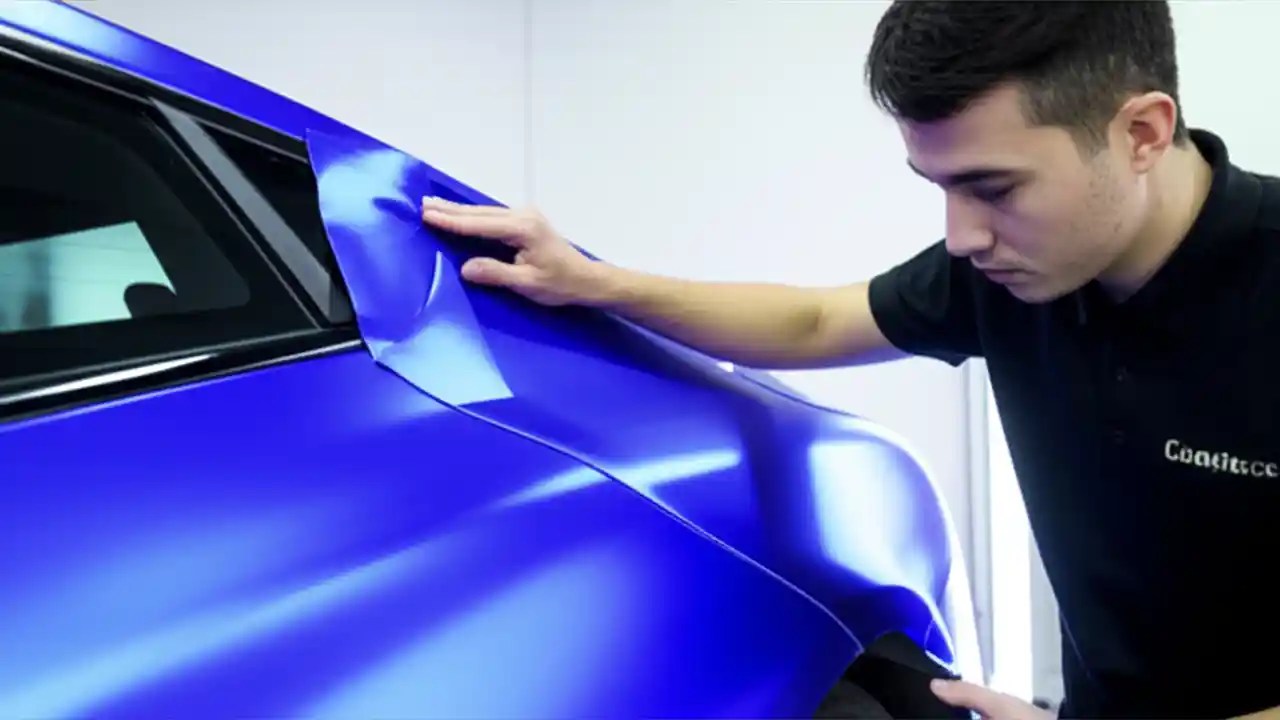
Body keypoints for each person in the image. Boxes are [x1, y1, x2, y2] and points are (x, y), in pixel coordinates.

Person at [421, 1, 1280, 717]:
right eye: (937, 187)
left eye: (992, 188)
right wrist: (592, 281)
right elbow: (812, 321)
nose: (961, 236)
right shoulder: (1006, 273)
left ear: (1141, 132)